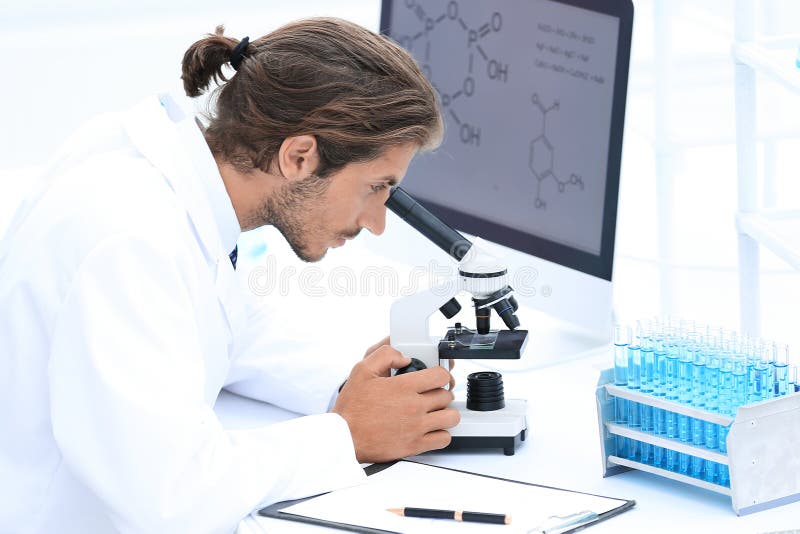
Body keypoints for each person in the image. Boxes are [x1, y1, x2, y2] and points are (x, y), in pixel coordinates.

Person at [0, 17, 460, 533]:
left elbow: (219, 320)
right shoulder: (132, 238)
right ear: (300, 156)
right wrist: (345, 435)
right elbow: (170, 493)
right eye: (377, 187)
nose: (376, 223)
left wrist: (354, 383)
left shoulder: (166, 175)